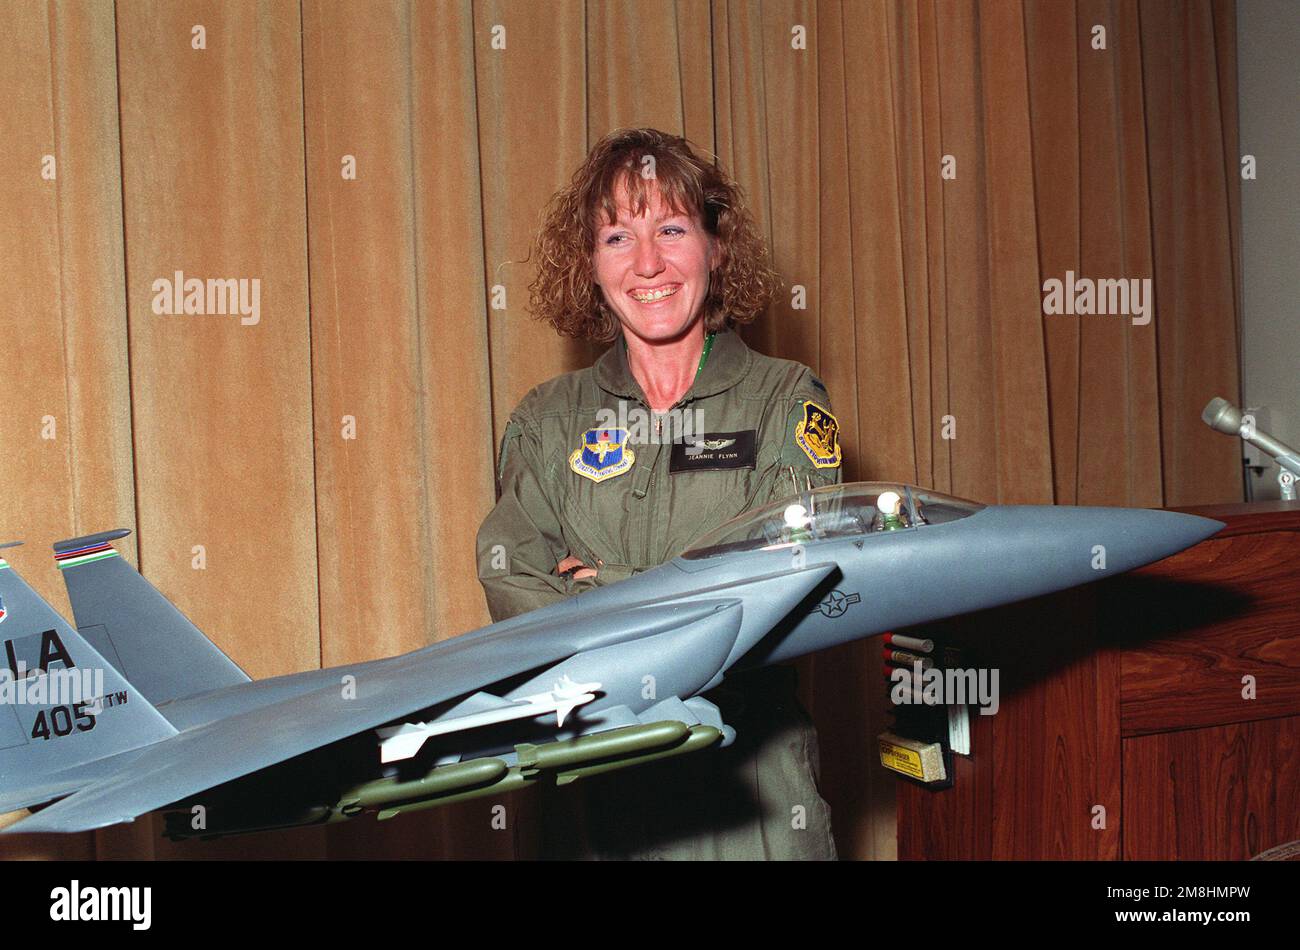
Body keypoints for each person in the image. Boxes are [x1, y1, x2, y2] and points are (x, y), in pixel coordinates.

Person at [475, 127, 842, 859]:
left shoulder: (784, 399)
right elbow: (508, 574)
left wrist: (598, 584)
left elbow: (781, 579)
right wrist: (684, 588)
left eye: (672, 229)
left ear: (717, 246)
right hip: (599, 798)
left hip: (759, 807)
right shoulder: (548, 421)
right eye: (618, 237)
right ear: (590, 265)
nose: (649, 263)